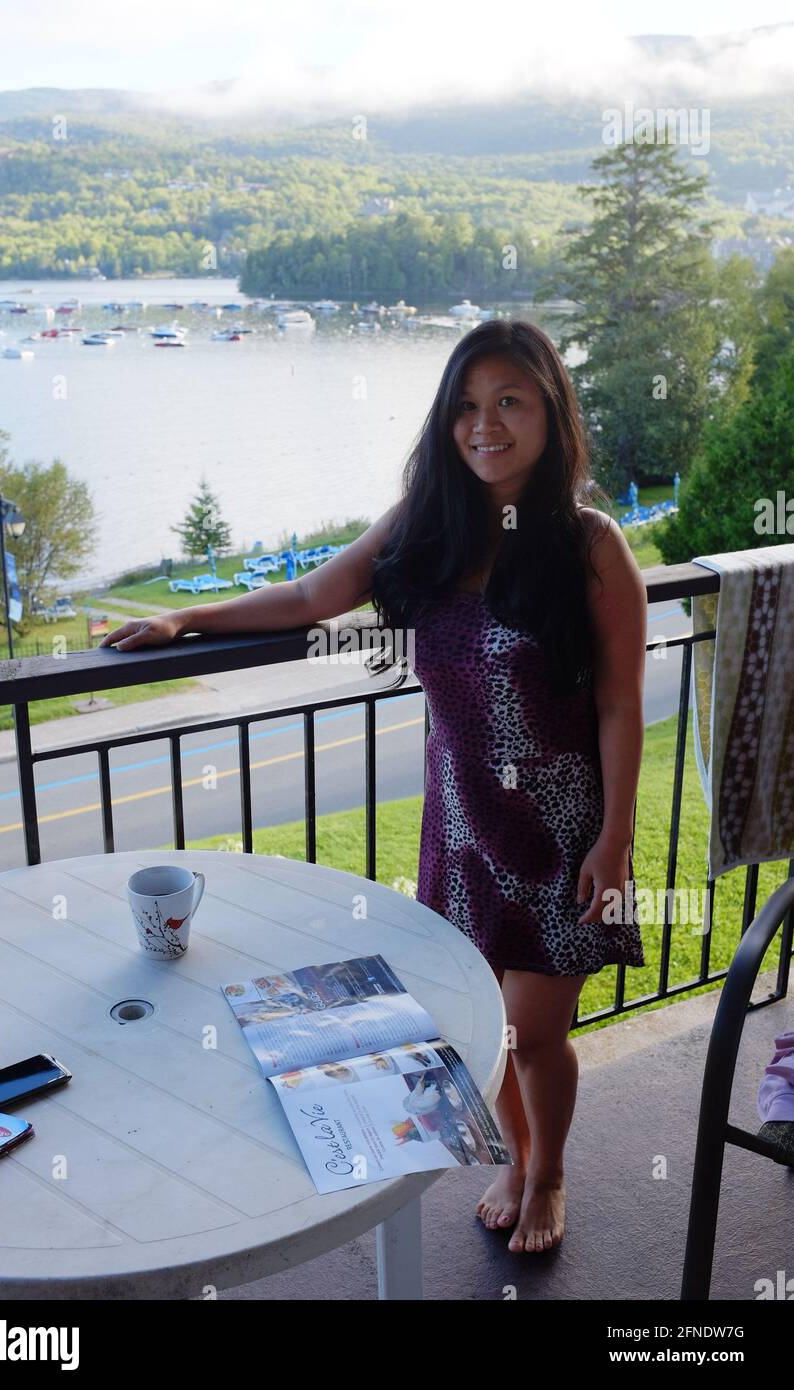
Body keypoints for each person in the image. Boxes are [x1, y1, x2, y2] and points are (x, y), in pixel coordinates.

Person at [101, 319, 647, 1255]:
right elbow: (312, 598)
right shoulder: (428, 523)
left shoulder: (590, 547)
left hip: (563, 834)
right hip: (465, 829)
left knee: (533, 1030)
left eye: (510, 401)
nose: (486, 425)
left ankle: (549, 1172)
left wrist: (616, 839)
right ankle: (516, 1156)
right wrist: (190, 617)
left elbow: (620, 706)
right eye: (468, 406)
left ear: (551, 412)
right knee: (479, 1025)